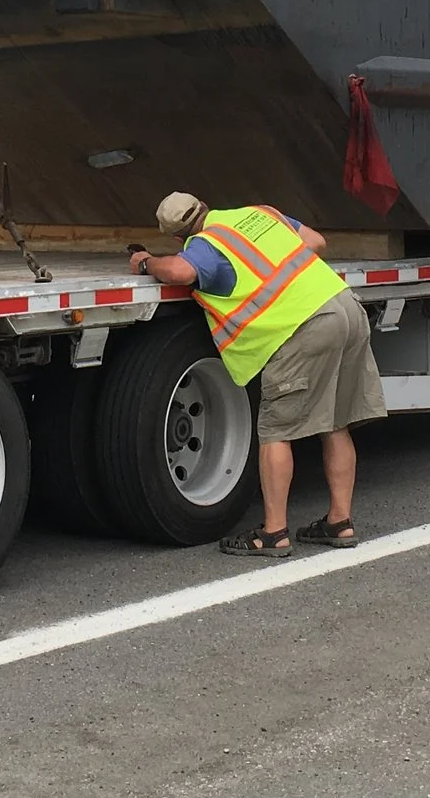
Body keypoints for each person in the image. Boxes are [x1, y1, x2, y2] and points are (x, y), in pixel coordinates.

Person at [132, 192, 386, 558]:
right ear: (205, 206)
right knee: (335, 422)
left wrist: (146, 263)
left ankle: (273, 533)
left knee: (275, 430)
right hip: (344, 305)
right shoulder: (258, 213)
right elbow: (315, 241)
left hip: (304, 325)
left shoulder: (204, 246)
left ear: (178, 238)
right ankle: (339, 522)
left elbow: (181, 272)